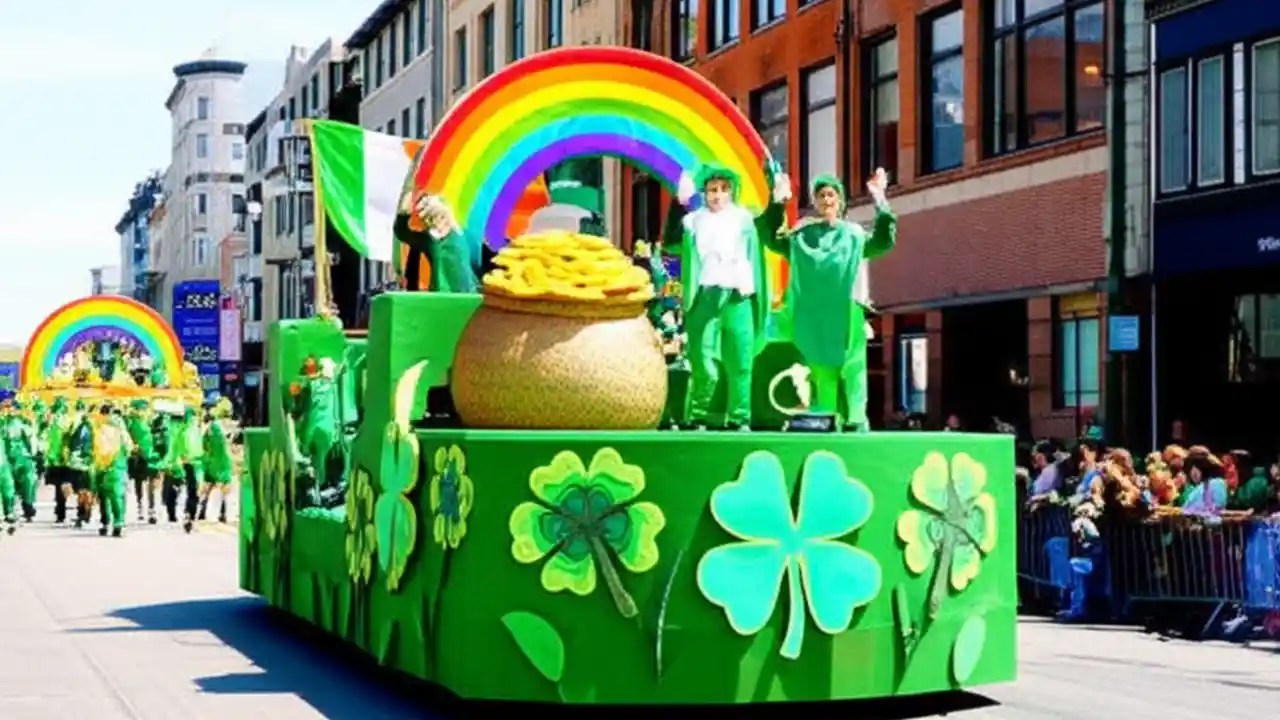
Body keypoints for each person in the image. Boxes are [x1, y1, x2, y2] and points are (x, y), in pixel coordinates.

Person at [760, 169, 896, 431]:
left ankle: (856, 419)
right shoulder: (803, 235)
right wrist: (778, 201)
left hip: (846, 313)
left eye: (831, 195)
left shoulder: (853, 235)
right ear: (815, 201)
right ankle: (826, 420)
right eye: (821, 195)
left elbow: (881, 243)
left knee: (853, 368)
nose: (826, 200)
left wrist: (880, 199)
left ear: (840, 200)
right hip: (816, 317)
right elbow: (774, 240)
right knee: (823, 370)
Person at [661, 162, 789, 431]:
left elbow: (770, 226)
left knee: (741, 359)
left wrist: (778, 201)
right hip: (704, 297)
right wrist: (678, 204)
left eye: (722, 189)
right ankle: (699, 415)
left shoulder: (745, 220)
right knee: (702, 359)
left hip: (737, 297)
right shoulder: (693, 221)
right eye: (711, 190)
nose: (717, 195)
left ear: (731, 191)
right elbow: (670, 243)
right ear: (704, 193)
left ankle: (739, 417)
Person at [392, 190, 487, 292]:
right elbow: (402, 233)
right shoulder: (429, 239)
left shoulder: (463, 234)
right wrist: (403, 214)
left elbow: (479, 260)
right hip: (441, 294)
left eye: (427, 204)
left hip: (469, 292)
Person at [91, 405, 132, 537]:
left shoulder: (98, 427)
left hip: (100, 466)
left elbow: (95, 448)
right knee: (117, 496)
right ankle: (118, 523)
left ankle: (105, 523)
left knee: (103, 496)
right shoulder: (120, 429)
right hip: (116, 466)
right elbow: (128, 447)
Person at [198, 401, 235, 523]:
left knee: (209, 486)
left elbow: (204, 444)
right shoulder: (223, 427)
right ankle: (223, 514)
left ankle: (202, 511)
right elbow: (229, 442)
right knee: (225, 486)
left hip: (210, 460)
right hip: (223, 460)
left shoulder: (208, 428)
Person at [125, 399, 161, 524]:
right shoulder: (130, 421)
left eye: (144, 409)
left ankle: (151, 509)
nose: (143, 411)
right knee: (139, 483)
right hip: (138, 456)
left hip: (150, 455)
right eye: (141, 409)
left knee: (152, 482)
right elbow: (127, 436)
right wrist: (133, 446)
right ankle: (140, 507)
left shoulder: (150, 421)